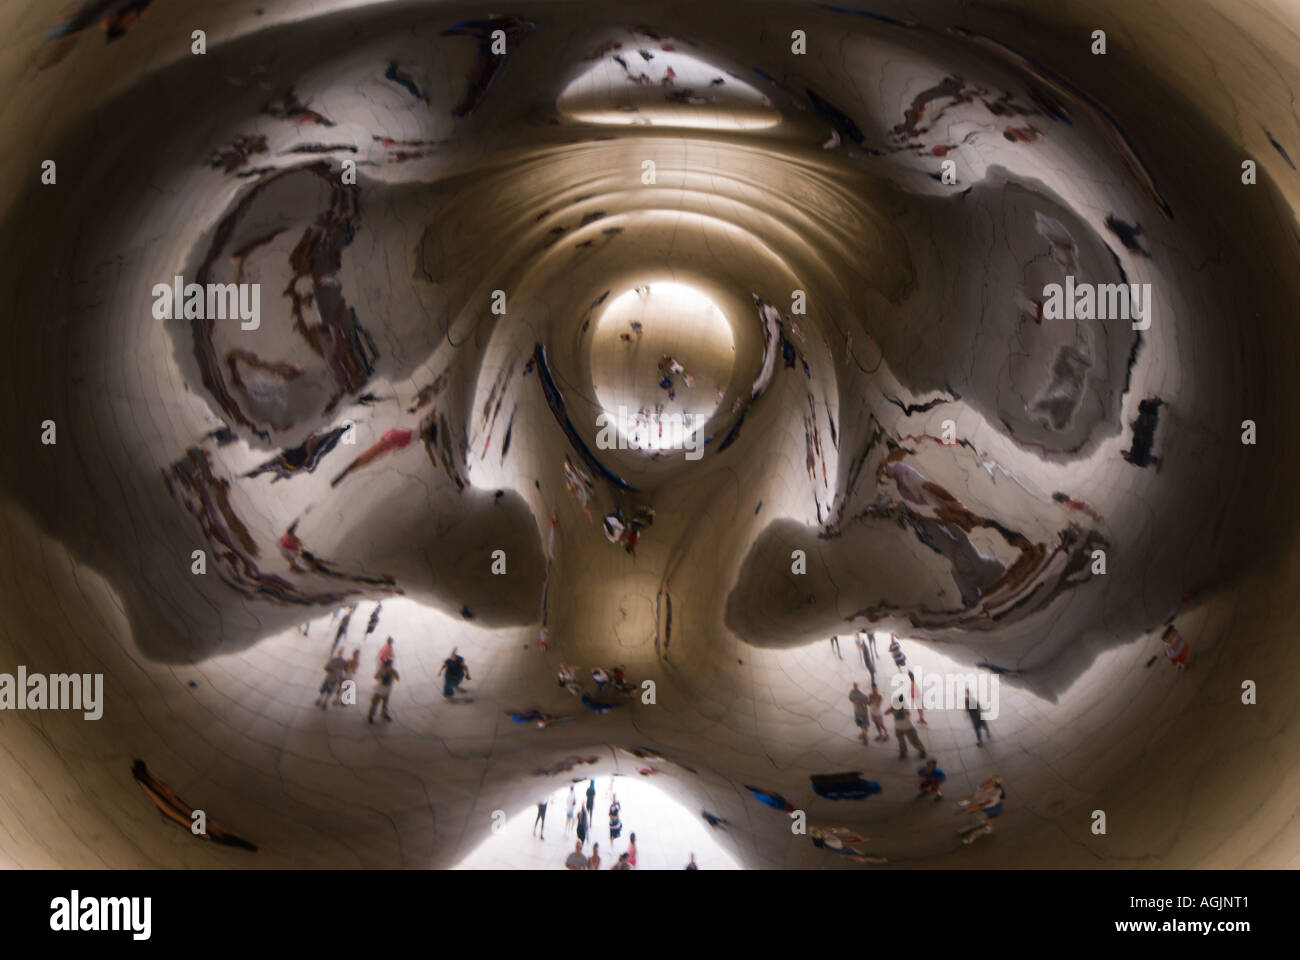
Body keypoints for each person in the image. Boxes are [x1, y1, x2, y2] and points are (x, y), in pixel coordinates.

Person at [959, 777, 1006, 845]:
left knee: (987, 819)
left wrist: (971, 808)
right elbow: (974, 796)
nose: (987, 781)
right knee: (981, 818)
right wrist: (967, 801)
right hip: (985, 808)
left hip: (993, 808)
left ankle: (984, 830)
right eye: (989, 780)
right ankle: (984, 825)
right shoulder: (982, 787)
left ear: (995, 784)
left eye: (991, 782)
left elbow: (984, 804)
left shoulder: (996, 792)